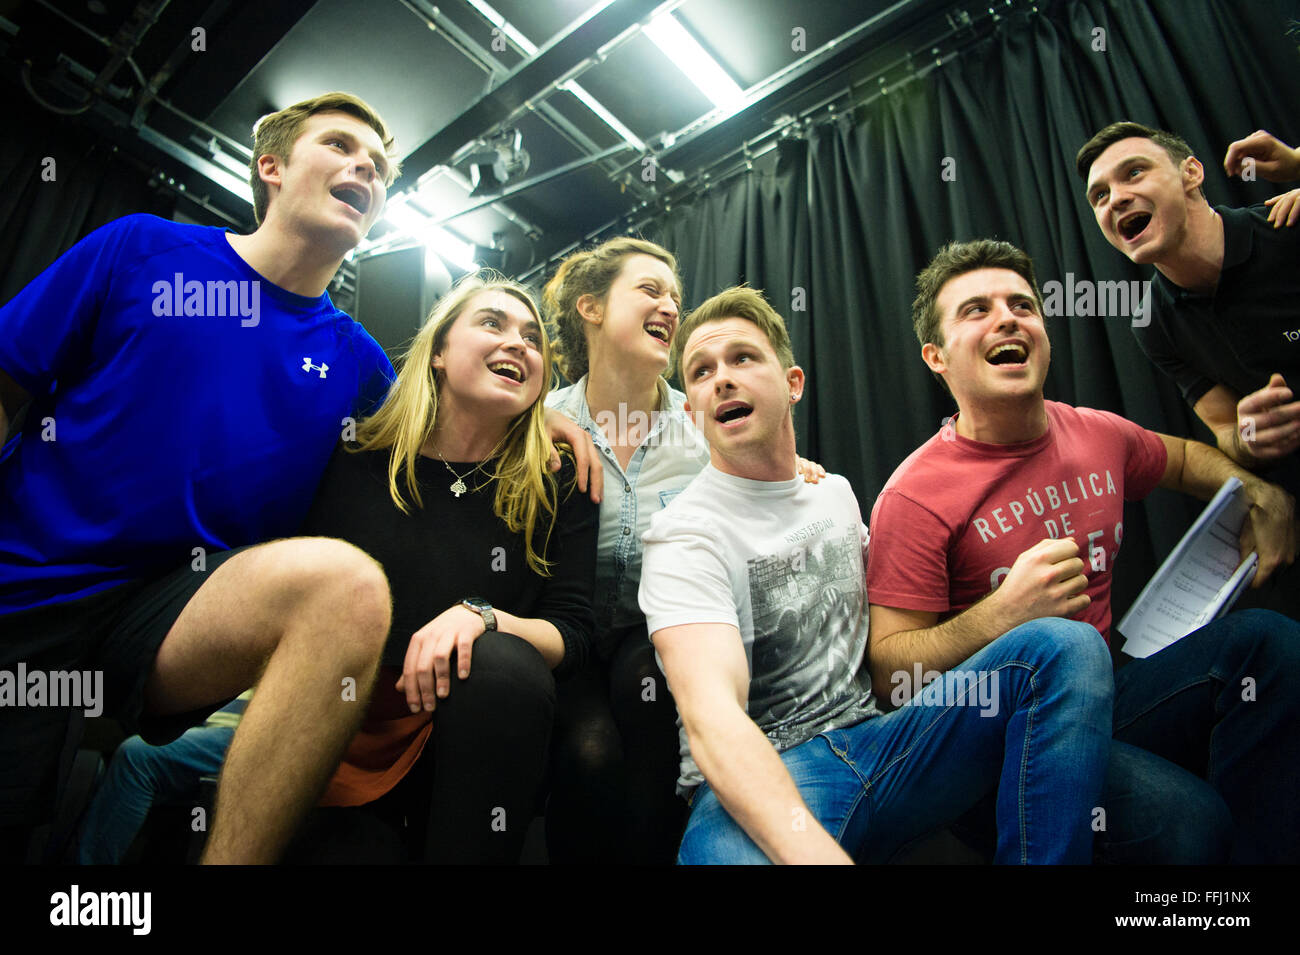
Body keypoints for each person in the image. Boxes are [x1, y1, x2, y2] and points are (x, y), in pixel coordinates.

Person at [0, 91, 405, 864]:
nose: (367, 166)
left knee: (346, 587)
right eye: (342, 145)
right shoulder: (142, 249)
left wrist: (555, 410)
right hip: (25, 578)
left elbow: (455, 444)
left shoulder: (359, 363)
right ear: (272, 167)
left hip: (168, 613)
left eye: (380, 165)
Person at [639, 286, 1114, 865]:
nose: (722, 379)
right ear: (691, 412)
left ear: (793, 383)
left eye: (742, 358)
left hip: (888, 743)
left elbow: (895, 637)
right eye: (701, 371)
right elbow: (714, 720)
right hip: (773, 770)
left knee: (1064, 646)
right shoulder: (683, 536)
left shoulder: (833, 493)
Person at [866, 239, 1300, 863]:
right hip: (999, 739)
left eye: (1021, 304)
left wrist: (1263, 493)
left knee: (1268, 644)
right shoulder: (914, 496)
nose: (1007, 319)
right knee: (1190, 825)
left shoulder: (1095, 433)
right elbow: (891, 676)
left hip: (1104, 695)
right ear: (936, 357)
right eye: (976, 310)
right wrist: (1002, 614)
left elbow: (1178, 456)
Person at [285, 273, 596, 864]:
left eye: (533, 338)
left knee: (503, 661)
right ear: (437, 354)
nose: (519, 344)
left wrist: (483, 618)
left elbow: (574, 633)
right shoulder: (353, 462)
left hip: (477, 742)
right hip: (348, 742)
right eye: (492, 323)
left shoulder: (558, 483)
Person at [541, 238, 823, 863]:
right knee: (590, 754)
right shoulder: (538, 420)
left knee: (651, 691)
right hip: (565, 639)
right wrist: (533, 422)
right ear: (590, 307)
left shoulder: (700, 424)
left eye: (675, 295)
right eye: (650, 290)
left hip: (659, 630)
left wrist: (792, 468)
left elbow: (757, 480)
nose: (671, 305)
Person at [1076, 122, 1300, 490]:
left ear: (1191, 173)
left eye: (1134, 172)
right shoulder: (1153, 325)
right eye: (1099, 195)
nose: (1115, 199)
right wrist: (1248, 438)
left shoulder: (1288, 226)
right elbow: (1226, 428)